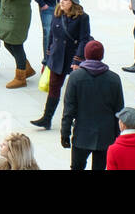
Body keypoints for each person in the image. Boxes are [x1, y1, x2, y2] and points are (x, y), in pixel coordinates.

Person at [52, 38, 122, 169]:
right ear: (102, 55)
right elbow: (119, 111)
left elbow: (69, 109)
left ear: (85, 55)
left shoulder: (76, 77)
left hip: (82, 135)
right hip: (106, 136)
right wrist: (118, 135)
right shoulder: (114, 78)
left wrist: (65, 133)